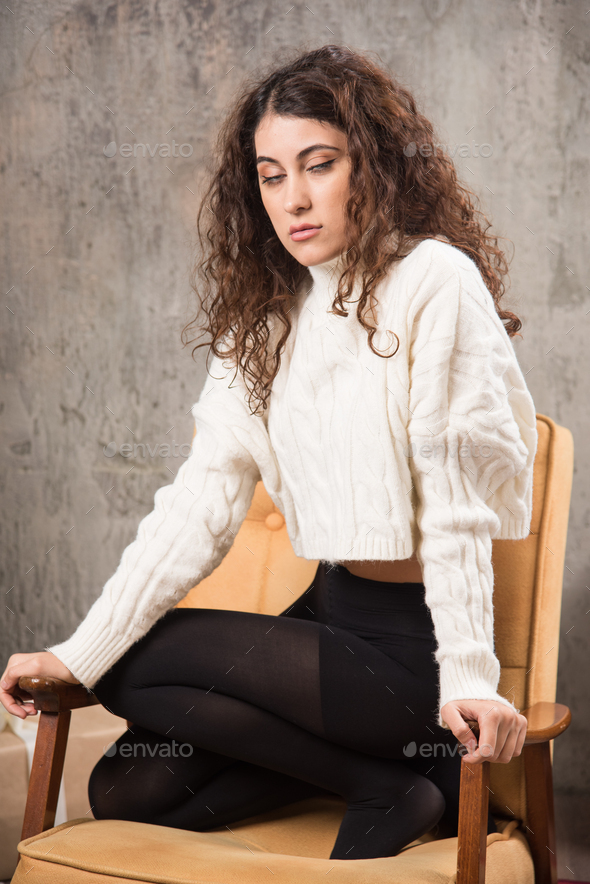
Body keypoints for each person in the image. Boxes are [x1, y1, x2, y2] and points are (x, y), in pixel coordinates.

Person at [0, 45, 536, 861]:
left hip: (412, 647)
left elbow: (455, 498)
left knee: (139, 662)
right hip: (330, 617)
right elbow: (199, 500)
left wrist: (467, 677)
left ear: (375, 165)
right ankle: (385, 775)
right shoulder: (267, 318)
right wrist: (74, 652)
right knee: (126, 788)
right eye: (271, 174)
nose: (294, 198)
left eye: (318, 165)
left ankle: (393, 770)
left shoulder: (434, 280)